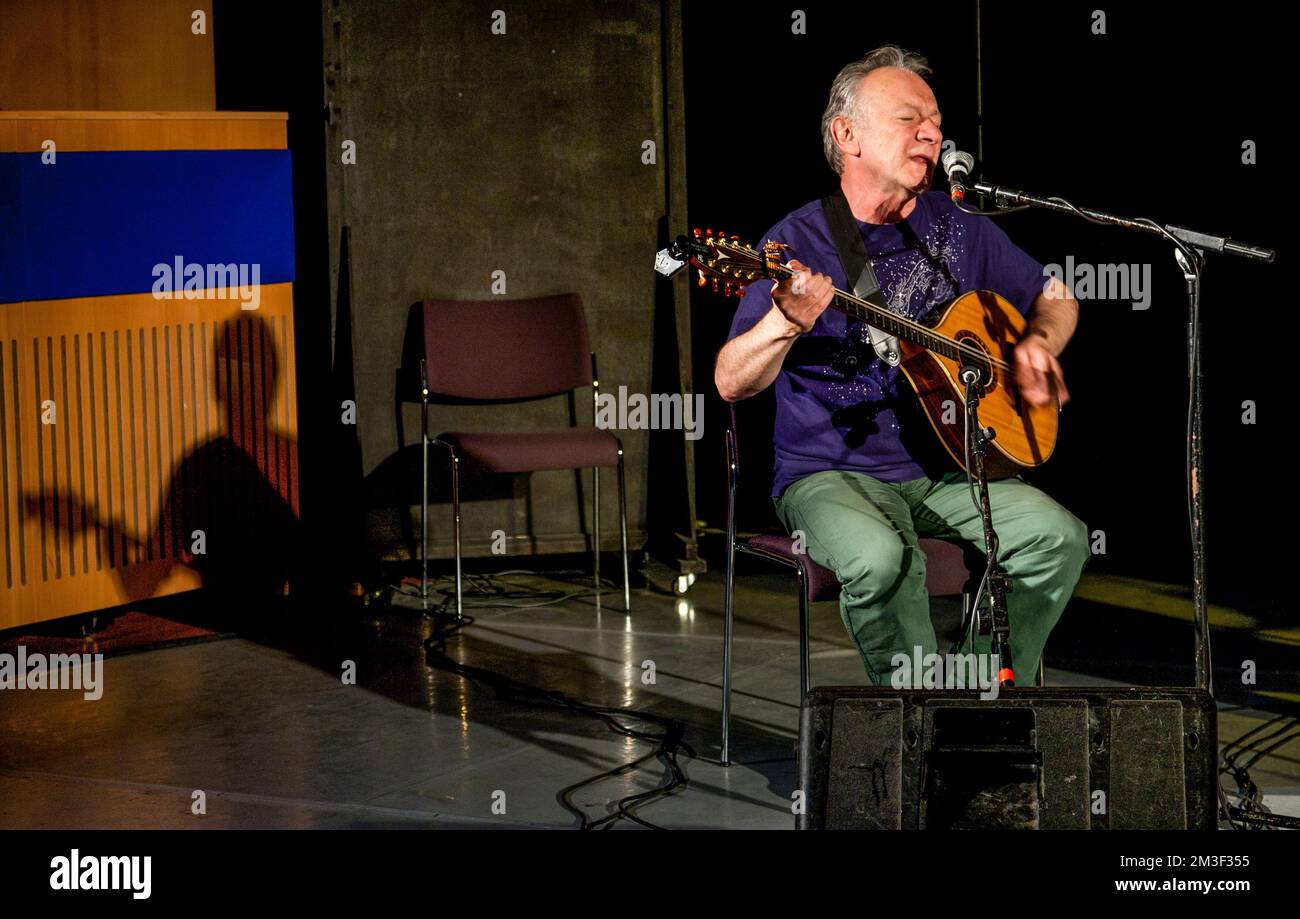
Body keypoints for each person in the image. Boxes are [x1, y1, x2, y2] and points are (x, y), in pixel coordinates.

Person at [714, 45, 1090, 686]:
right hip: (828, 474)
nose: (932, 133)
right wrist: (784, 322)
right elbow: (729, 379)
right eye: (908, 118)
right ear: (846, 134)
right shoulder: (797, 243)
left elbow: (1055, 296)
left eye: (937, 121)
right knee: (884, 557)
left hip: (947, 467)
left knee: (1059, 537)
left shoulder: (961, 225)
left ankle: (980, 699)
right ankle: (914, 722)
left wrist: (1038, 344)